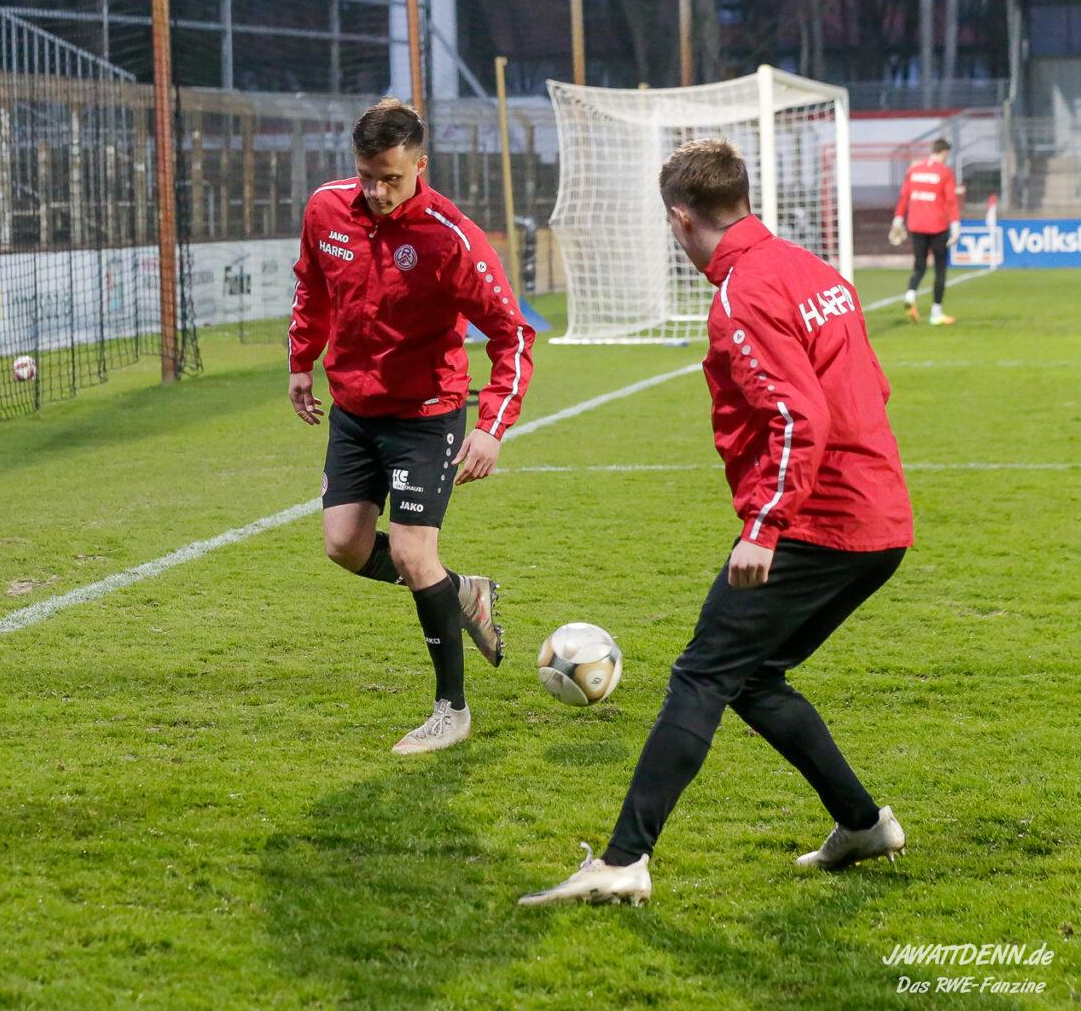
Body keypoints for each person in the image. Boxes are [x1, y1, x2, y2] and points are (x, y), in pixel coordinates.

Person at [519, 140, 914, 906]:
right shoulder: (816, 271)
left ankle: (624, 859)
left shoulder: (745, 292)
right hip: (880, 518)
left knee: (701, 673)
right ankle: (863, 824)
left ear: (679, 217)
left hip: (817, 521)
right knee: (753, 676)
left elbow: (801, 416)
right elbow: (872, 387)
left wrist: (765, 526)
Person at [288, 98, 535, 755]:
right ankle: (463, 594)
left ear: (420, 166)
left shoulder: (451, 238)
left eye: (391, 178)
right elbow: (312, 286)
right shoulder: (325, 210)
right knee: (343, 545)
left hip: (427, 416)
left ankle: (451, 710)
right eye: (367, 175)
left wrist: (491, 428)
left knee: (410, 552)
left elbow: (513, 334)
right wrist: (301, 362)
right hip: (355, 413)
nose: (376, 191)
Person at [890, 138, 962, 325]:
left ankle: (910, 295)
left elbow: (904, 196)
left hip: (916, 226)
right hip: (937, 227)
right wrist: (955, 226)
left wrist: (898, 219)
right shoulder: (945, 172)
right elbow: (951, 201)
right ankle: (936, 313)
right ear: (945, 153)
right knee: (940, 269)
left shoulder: (914, 170)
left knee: (919, 266)